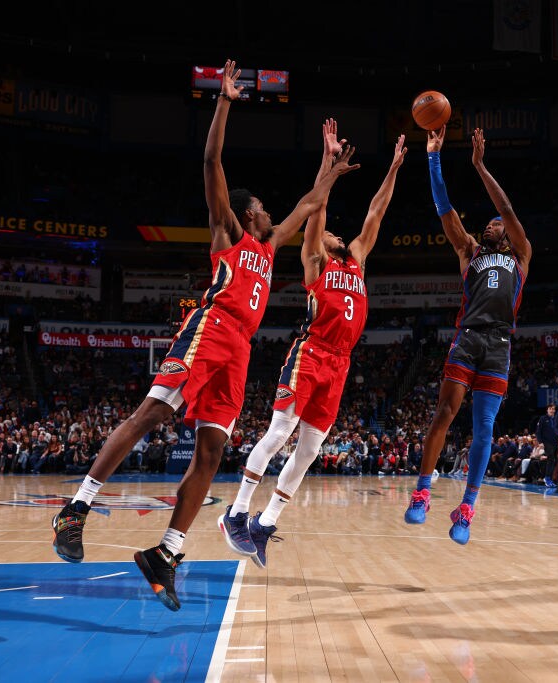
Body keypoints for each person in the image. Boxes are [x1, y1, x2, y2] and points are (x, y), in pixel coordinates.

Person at [50, 60, 358, 611]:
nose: (267, 210)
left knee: (213, 449)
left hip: (240, 349)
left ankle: (166, 553)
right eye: (260, 206)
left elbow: (310, 205)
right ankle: (76, 508)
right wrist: (224, 103)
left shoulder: (269, 248)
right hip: (210, 329)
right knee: (151, 414)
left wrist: (328, 164)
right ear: (245, 214)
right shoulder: (229, 232)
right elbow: (212, 160)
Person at [218, 124, 407, 568]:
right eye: (327, 234)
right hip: (311, 353)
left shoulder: (356, 258)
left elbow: (377, 212)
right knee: (281, 432)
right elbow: (317, 212)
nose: (334, 234)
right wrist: (329, 166)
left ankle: (265, 523)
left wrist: (395, 167)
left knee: (311, 450)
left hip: (340, 364)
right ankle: (237, 513)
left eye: (335, 234)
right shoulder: (315, 260)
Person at [403, 126, 532, 545]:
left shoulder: (522, 257)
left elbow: (509, 207)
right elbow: (444, 207)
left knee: (485, 430)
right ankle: (423, 491)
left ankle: (467, 506)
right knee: (444, 414)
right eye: (492, 223)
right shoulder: (470, 252)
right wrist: (433, 156)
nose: (495, 224)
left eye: (500, 224)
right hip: (469, 337)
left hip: (498, 345)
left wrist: (478, 164)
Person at [535, 403, 558, 488]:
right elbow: (538, 431)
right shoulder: (543, 419)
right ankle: (547, 478)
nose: (552, 410)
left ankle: (549, 479)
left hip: (555, 442)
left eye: (553, 409)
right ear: (547, 410)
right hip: (546, 442)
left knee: (553, 461)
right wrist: (540, 442)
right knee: (551, 458)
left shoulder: (556, 419)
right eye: (550, 409)